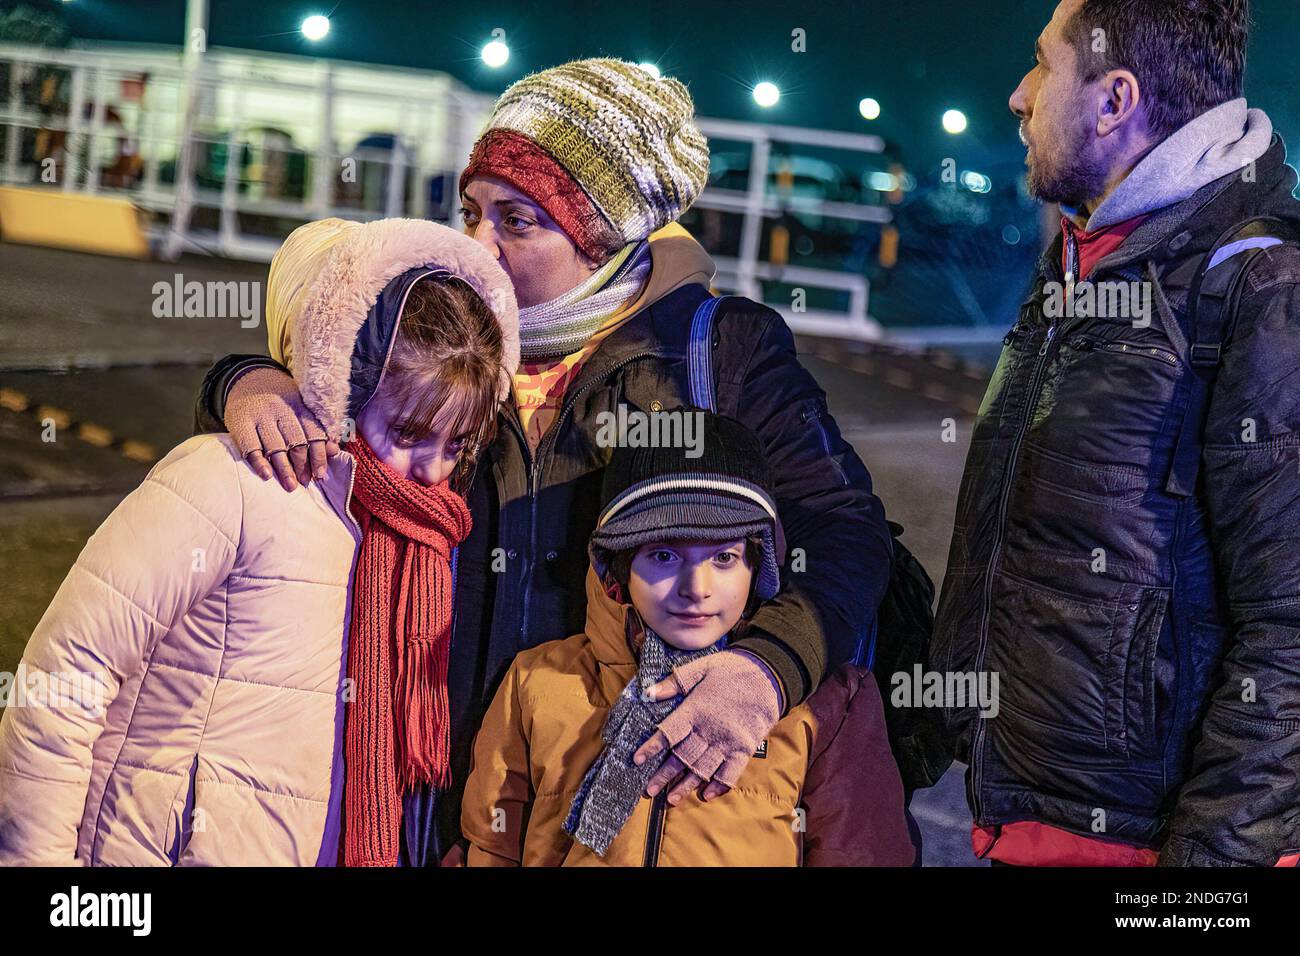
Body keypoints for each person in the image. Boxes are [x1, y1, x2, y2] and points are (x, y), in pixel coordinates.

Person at [193, 58, 894, 856]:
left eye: (517, 220)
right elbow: (313, 387)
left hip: (589, 790)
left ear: (601, 234)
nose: (479, 247)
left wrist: (767, 669)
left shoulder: (718, 350)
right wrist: (243, 383)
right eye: (472, 211)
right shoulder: (447, 326)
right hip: (410, 772)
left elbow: (845, 529)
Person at [0, 217, 519, 865]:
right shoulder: (229, 480)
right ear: (339, 390)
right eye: (411, 434)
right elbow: (64, 679)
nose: (434, 472)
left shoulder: (428, 542)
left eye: (458, 443)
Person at [933, 0, 1300, 866]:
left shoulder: (1259, 281)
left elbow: (1290, 629)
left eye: (1041, 65)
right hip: (1036, 821)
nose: (1019, 98)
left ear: (1113, 100)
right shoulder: (1090, 252)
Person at [461, 410, 914, 866]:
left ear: (759, 568)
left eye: (723, 557)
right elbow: (491, 845)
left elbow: (862, 853)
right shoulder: (537, 681)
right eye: (663, 555)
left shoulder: (829, 706)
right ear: (616, 567)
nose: (696, 588)